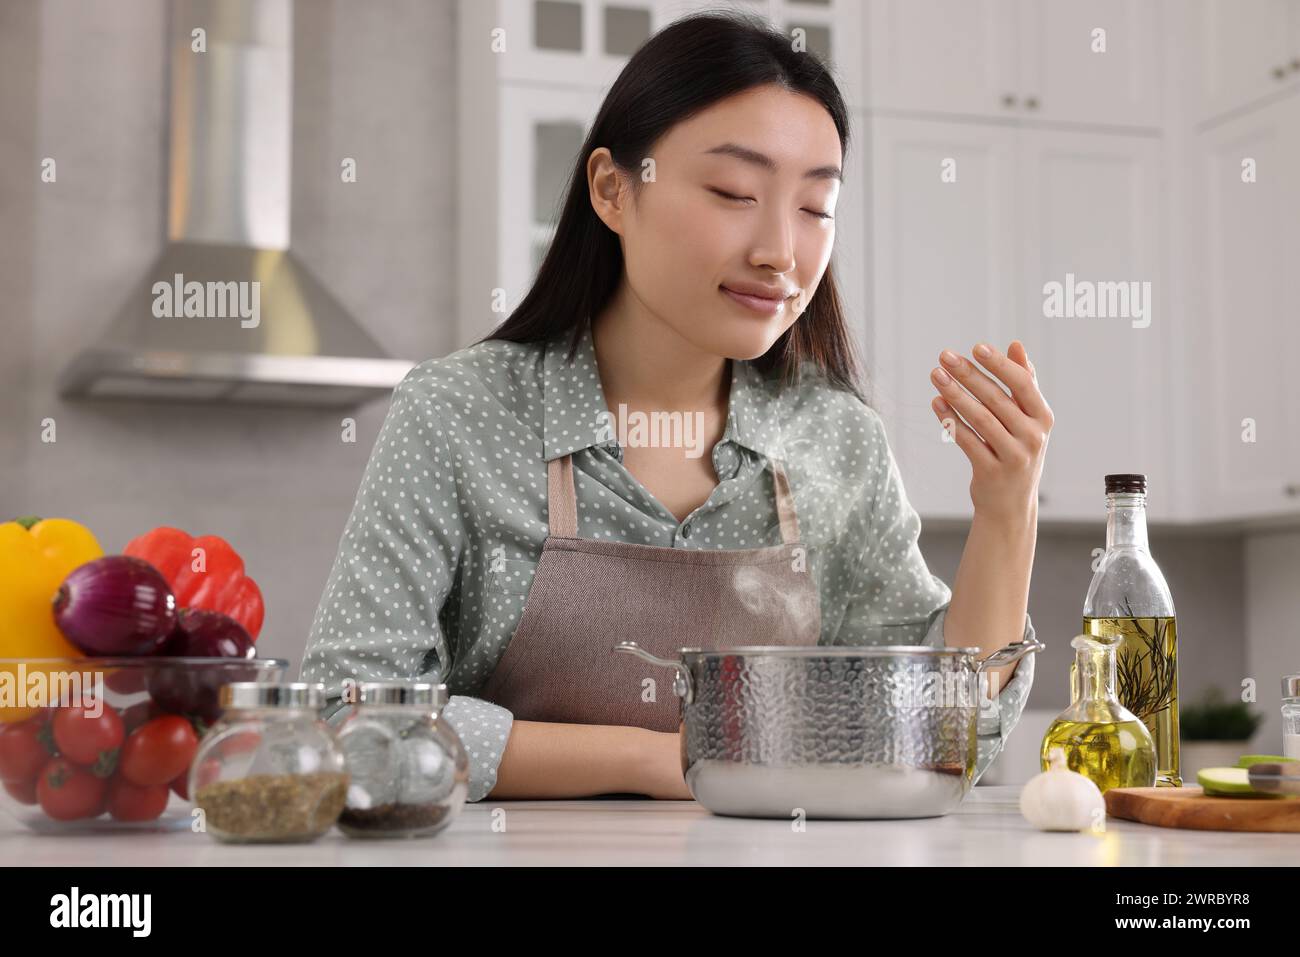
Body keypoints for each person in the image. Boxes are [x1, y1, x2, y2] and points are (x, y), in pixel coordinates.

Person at [300, 10, 1051, 803]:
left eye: (815, 208)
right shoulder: (458, 414)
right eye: (733, 192)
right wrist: (654, 758)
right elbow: (347, 717)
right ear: (613, 190)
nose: (780, 251)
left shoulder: (837, 441)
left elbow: (935, 736)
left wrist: (1008, 511)